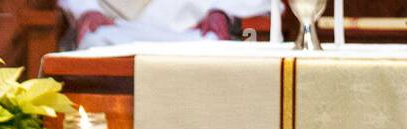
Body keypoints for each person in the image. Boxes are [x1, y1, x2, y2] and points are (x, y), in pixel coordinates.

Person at [60, 0, 276, 48]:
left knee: (215, 50)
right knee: (94, 43)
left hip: (195, 31)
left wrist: (223, 11)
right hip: (116, 27)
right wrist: (87, 9)